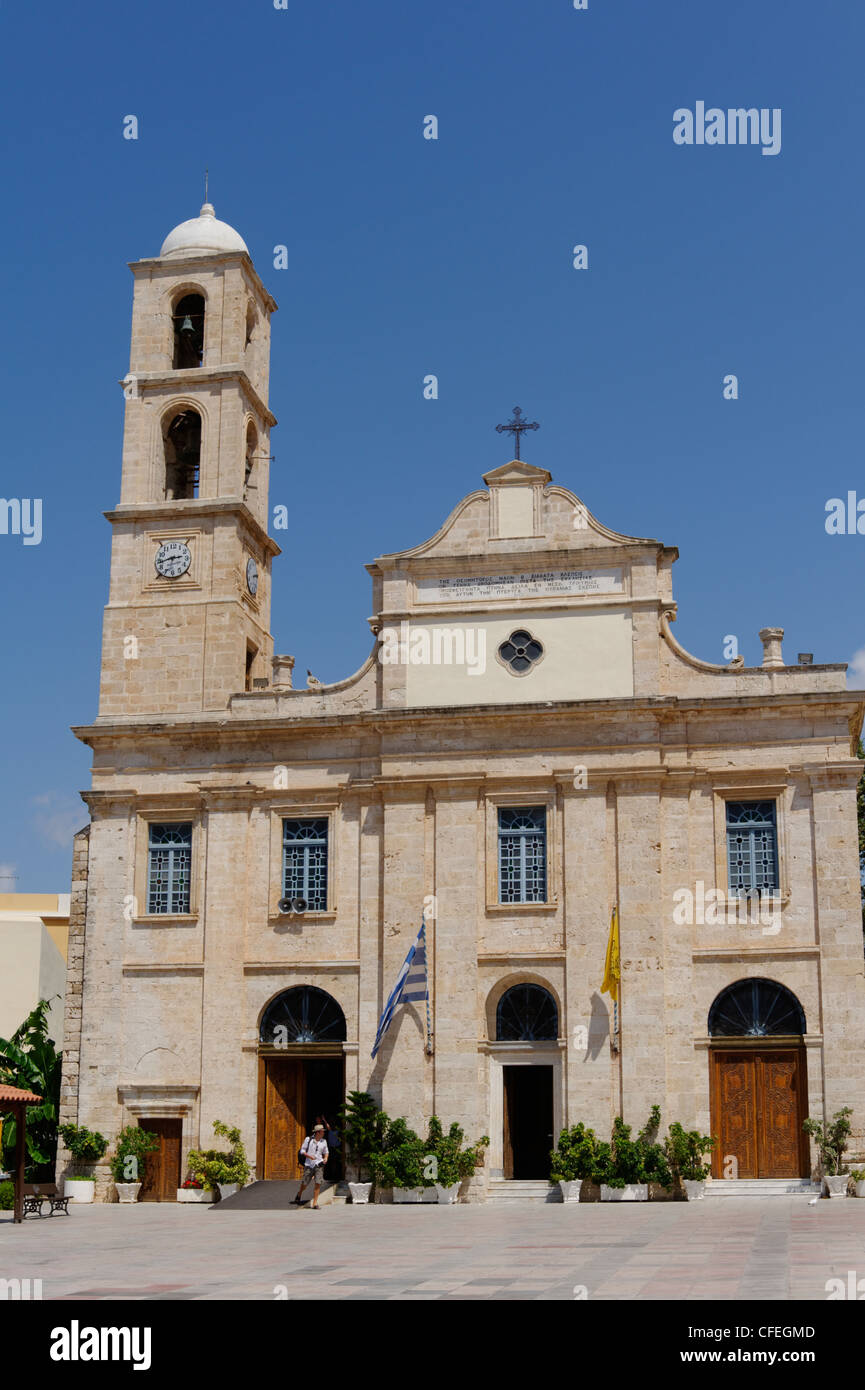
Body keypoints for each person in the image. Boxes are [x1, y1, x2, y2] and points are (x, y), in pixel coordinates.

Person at [294, 1124, 329, 1209]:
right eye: (322, 1131)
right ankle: (299, 1193)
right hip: (309, 1164)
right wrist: (309, 1156)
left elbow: (326, 1151)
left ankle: (315, 1203)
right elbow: (302, 1151)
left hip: (319, 1164)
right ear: (318, 1132)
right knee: (305, 1184)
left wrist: (325, 1158)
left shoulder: (324, 1141)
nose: (323, 1132)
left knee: (318, 1183)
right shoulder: (308, 1139)